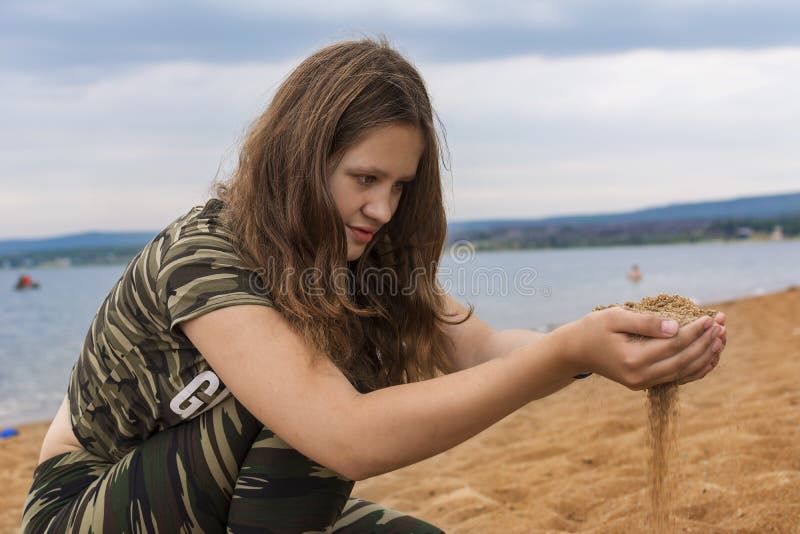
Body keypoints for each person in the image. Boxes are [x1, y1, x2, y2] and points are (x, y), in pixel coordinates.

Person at [22, 38, 727, 533]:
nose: (383, 210)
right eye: (365, 179)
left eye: (399, 186)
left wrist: (598, 338)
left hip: (215, 496)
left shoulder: (361, 256)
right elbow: (344, 437)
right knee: (317, 397)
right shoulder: (205, 255)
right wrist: (564, 355)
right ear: (300, 159)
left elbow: (480, 351)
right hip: (85, 500)